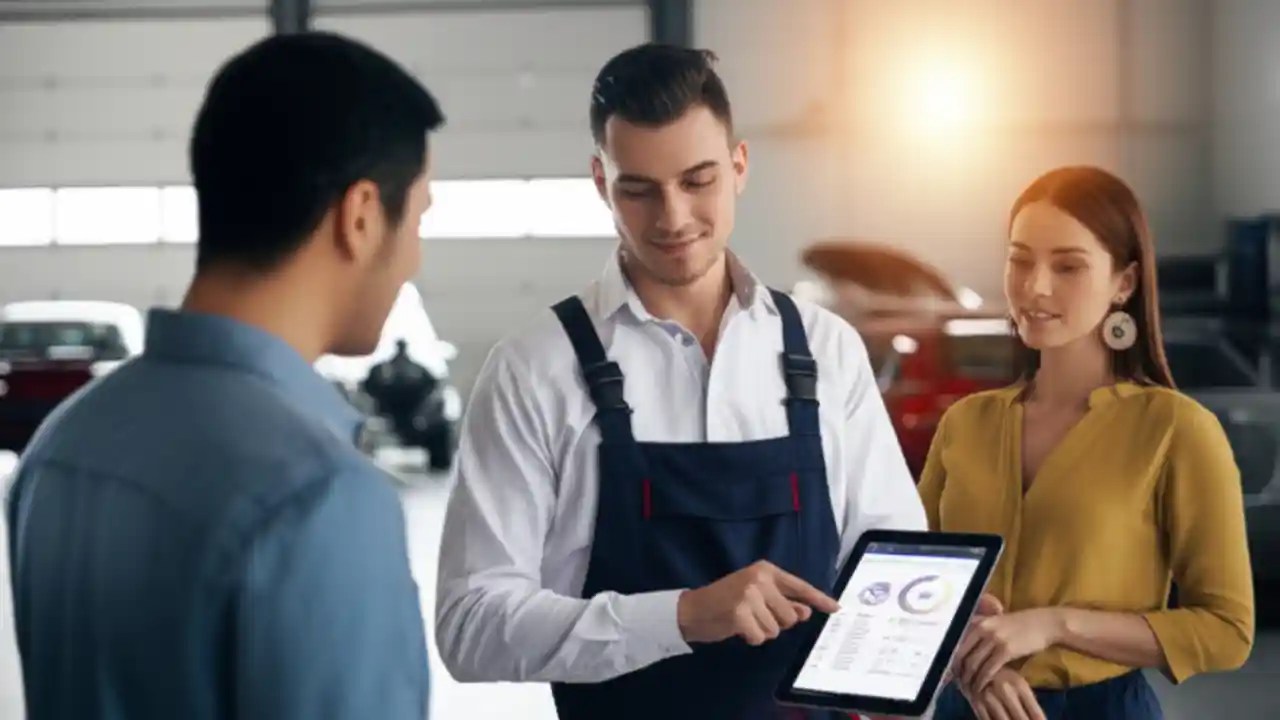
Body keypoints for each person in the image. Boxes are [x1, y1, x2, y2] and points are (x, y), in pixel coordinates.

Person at [434, 42, 927, 720]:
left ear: (739, 166)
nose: (672, 218)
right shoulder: (535, 370)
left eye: (698, 181)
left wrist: (932, 630)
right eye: (639, 190)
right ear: (602, 183)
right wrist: (684, 616)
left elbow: (891, 566)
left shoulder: (827, 350)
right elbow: (471, 625)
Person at [6, 32, 444, 719]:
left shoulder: (61, 447)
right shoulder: (319, 494)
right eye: (418, 217)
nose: (415, 257)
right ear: (359, 217)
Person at [920, 166, 1255, 720]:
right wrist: (968, 657)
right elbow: (910, 584)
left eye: (1068, 265)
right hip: (967, 705)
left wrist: (1052, 624)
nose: (1035, 286)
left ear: (1123, 283)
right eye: (1020, 259)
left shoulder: (1176, 429)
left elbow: (1227, 630)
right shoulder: (965, 424)